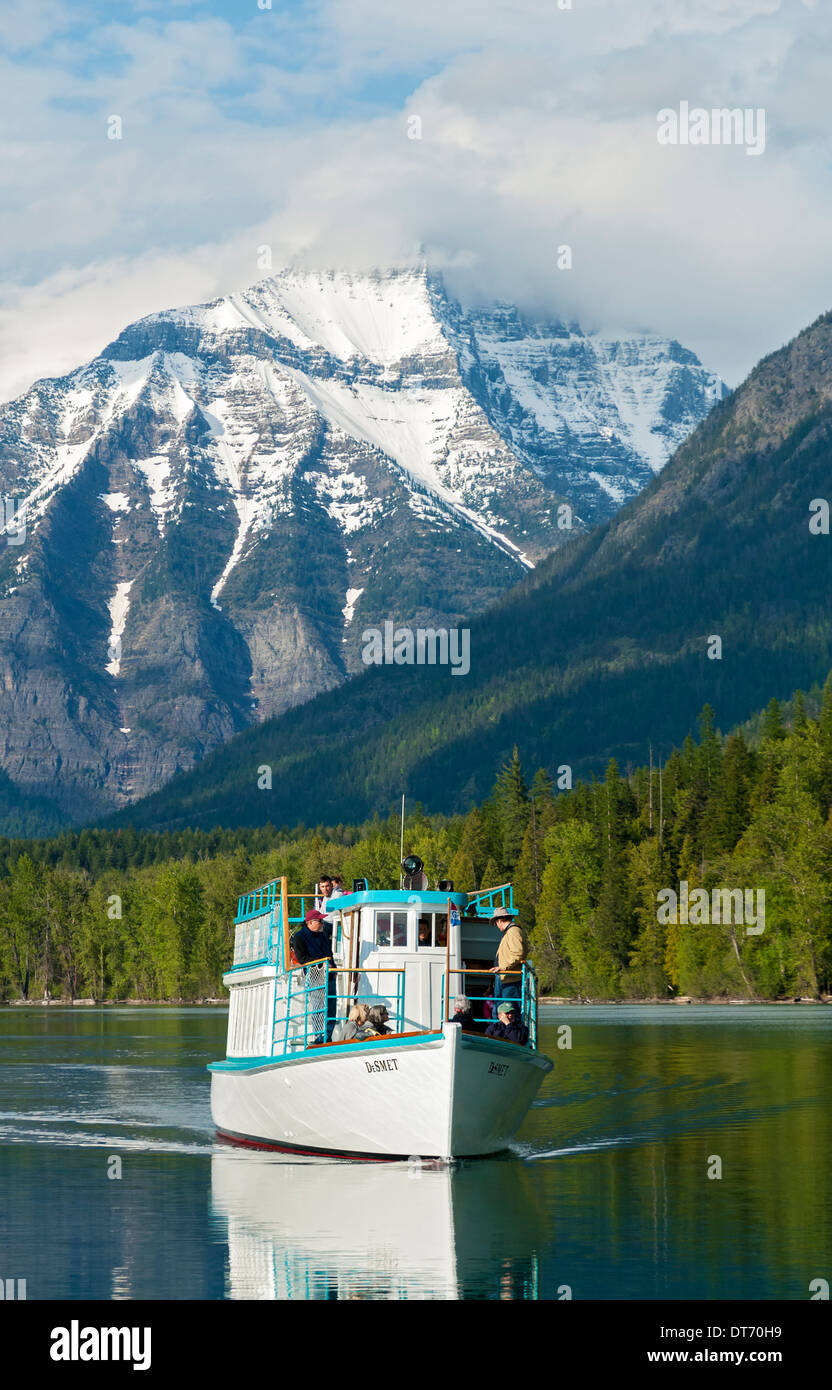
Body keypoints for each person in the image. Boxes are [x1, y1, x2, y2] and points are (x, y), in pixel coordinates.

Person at [290, 909, 337, 1043]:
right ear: (310, 922)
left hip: (329, 976)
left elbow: (330, 954)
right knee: (318, 1006)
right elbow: (302, 958)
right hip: (314, 975)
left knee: (331, 1007)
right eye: (320, 920)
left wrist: (334, 967)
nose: (322, 923)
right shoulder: (299, 937)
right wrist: (323, 963)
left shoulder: (322, 935)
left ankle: (327, 1036)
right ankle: (318, 1036)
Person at [489, 905, 527, 1009]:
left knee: (510, 1010)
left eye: (496, 923)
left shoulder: (513, 931)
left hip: (510, 979)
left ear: (500, 921)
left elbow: (518, 953)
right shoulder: (509, 932)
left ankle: (511, 1026)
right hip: (505, 978)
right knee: (501, 1009)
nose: (497, 926)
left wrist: (502, 967)